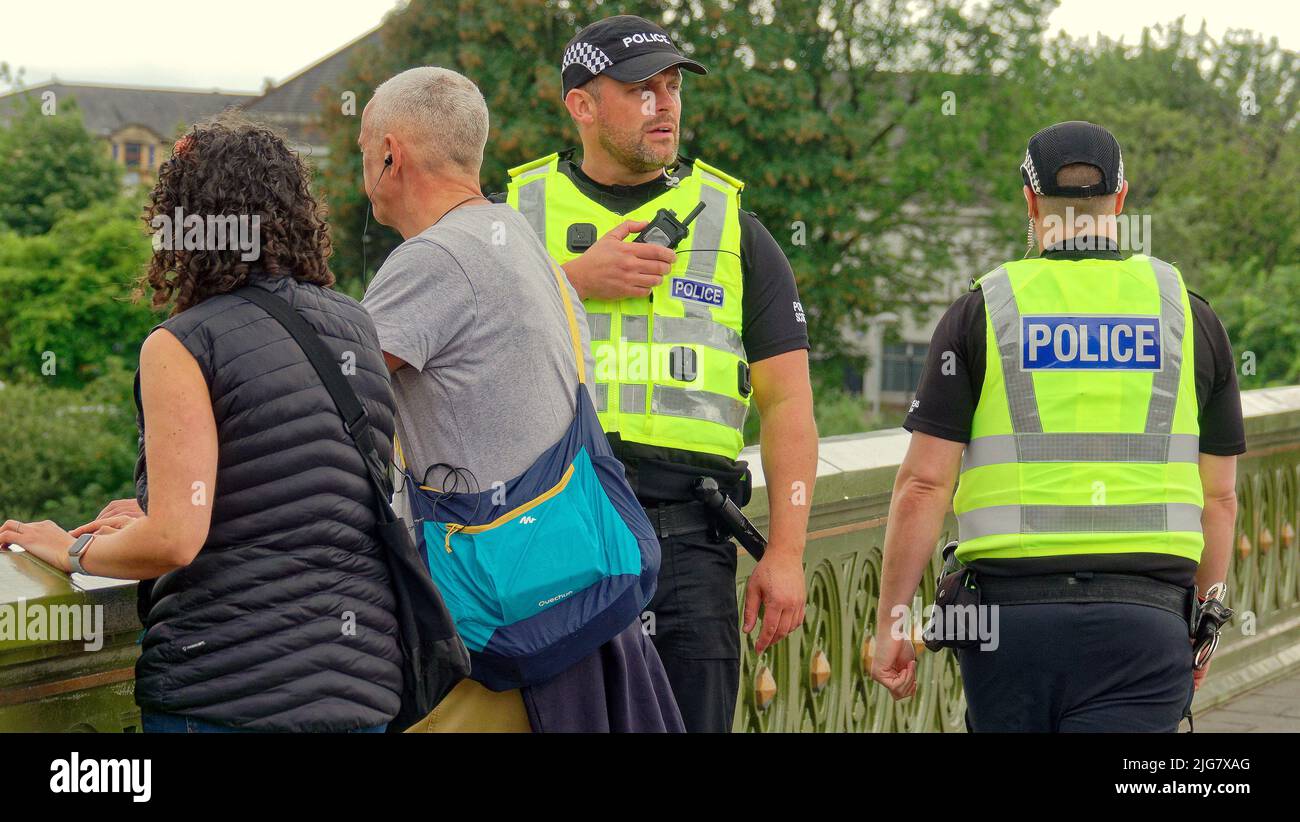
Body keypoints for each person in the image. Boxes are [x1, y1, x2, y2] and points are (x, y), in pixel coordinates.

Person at [0, 114, 404, 732]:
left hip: (228, 693)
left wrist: (74, 550)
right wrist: (160, 509)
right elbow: (316, 499)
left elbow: (175, 542)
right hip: (361, 687)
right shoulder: (355, 327)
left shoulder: (183, 343)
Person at [498, 14, 818, 733]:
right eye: (642, 89)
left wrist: (789, 553)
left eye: (672, 87)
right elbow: (454, 351)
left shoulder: (732, 226)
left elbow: (789, 401)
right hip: (549, 536)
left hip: (688, 550)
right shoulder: (512, 216)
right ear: (581, 104)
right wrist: (571, 281)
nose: (665, 104)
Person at [869, 121, 1245, 732]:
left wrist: (892, 622)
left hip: (1007, 627)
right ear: (1121, 200)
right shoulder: (1187, 315)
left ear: (1030, 199)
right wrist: (1202, 621)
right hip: (1145, 624)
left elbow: (923, 487)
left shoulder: (983, 310)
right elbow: (1220, 497)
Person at [357, 67, 682, 732]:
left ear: (392, 154)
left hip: (500, 626)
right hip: (578, 611)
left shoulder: (433, 261)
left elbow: (321, 399)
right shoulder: (523, 247)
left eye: (363, 150)